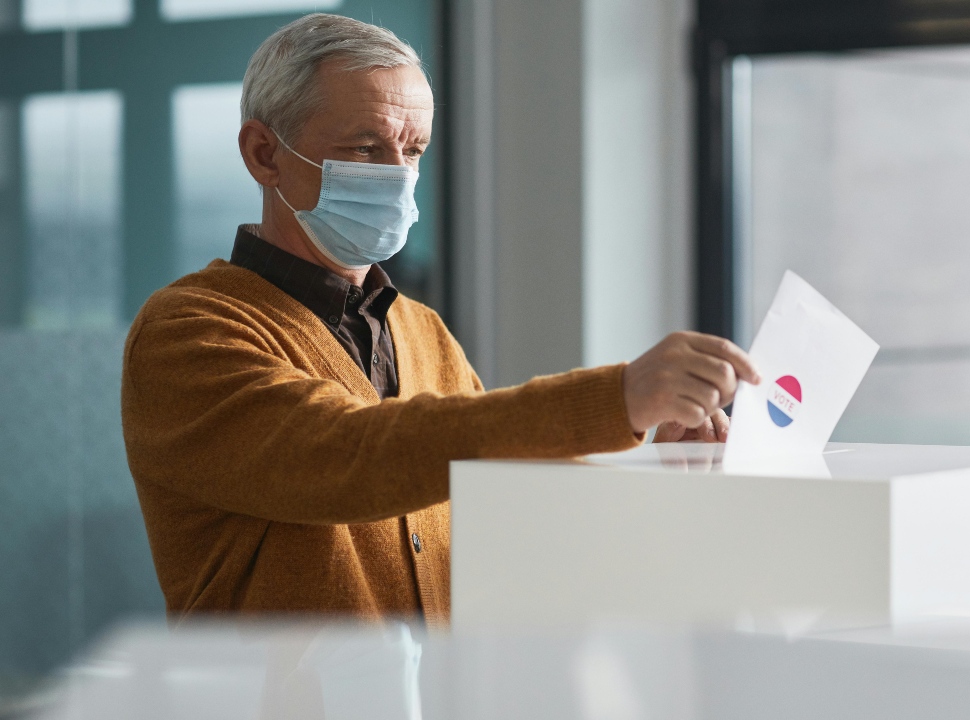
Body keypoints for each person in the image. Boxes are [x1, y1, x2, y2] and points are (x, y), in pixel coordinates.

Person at [120, 13, 759, 623]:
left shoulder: (421, 330)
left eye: (414, 150)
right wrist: (616, 398)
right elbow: (353, 454)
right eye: (365, 148)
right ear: (264, 154)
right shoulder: (188, 331)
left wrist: (656, 474)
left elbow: (508, 502)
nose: (399, 177)